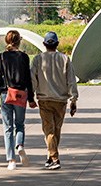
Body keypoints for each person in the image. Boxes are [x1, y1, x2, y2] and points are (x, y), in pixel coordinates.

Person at [30, 31, 78, 170]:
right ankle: (51, 157)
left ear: (44, 44)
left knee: (49, 131)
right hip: (60, 100)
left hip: (44, 99)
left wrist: (30, 97)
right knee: (56, 130)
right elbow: (71, 81)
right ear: (57, 44)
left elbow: (32, 79)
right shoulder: (64, 59)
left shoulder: (38, 59)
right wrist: (73, 99)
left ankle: (54, 159)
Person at [0, 30, 36, 170]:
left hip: (6, 94)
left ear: (6, 41)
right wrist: (31, 98)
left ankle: (11, 161)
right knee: (19, 124)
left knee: (8, 128)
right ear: (19, 41)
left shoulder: (1, 57)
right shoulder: (24, 57)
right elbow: (28, 79)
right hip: (20, 94)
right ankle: (20, 145)